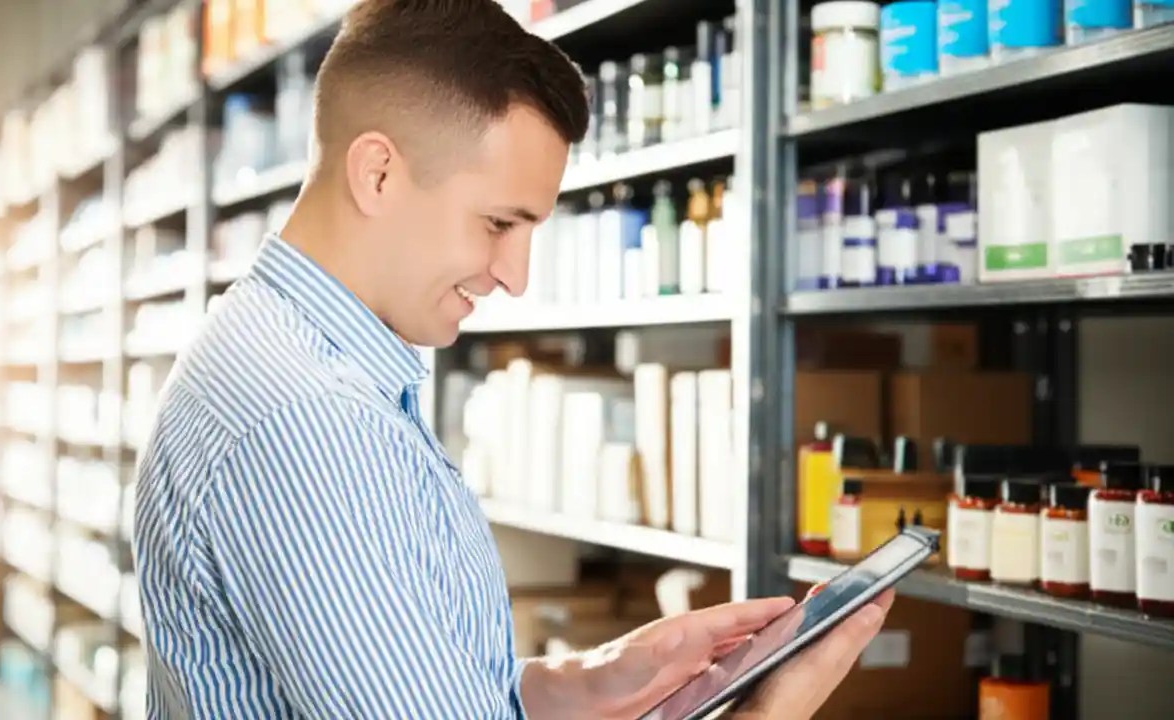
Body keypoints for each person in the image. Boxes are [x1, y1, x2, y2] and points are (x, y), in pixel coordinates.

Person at [133, 0, 892, 717]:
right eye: (499, 223)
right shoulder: (307, 423)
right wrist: (769, 709)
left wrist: (592, 681)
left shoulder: (290, 353)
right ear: (378, 174)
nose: (515, 276)